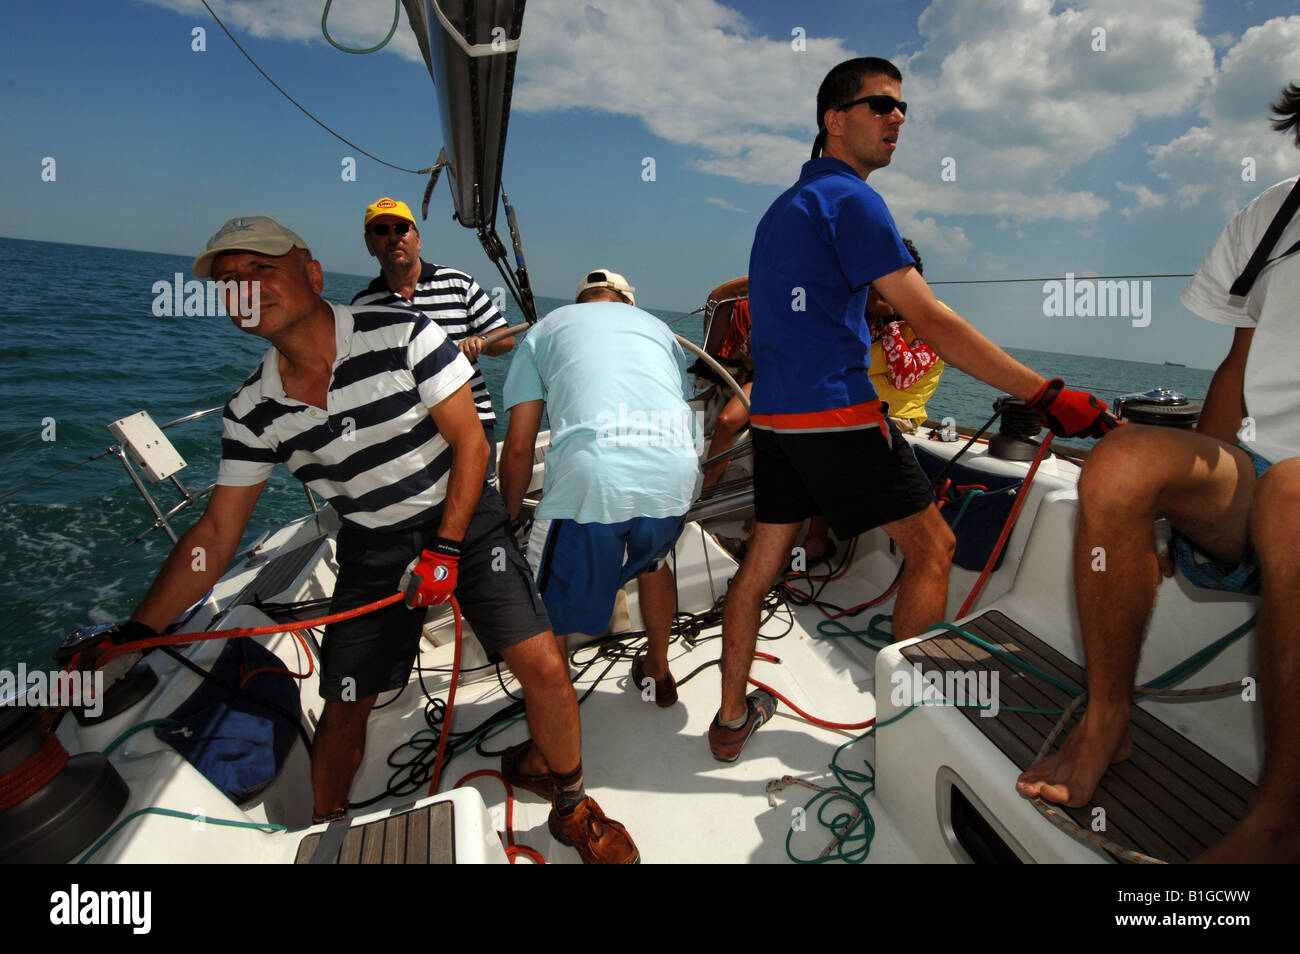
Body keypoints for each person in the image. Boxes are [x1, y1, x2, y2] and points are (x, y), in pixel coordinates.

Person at [121, 217, 637, 863]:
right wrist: (138, 634)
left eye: (260, 269)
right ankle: (328, 832)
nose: (244, 288)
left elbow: (472, 442)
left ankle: (571, 803)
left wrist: (446, 550)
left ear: (311, 272)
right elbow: (218, 532)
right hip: (372, 543)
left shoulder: (404, 334)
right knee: (342, 705)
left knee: (541, 664)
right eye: (228, 282)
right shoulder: (252, 410)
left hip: (465, 520)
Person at [712, 56, 1117, 762]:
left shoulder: (784, 208)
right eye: (880, 105)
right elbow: (929, 320)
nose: (898, 118)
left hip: (775, 419)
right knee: (935, 547)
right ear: (834, 121)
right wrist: (1046, 394)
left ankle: (727, 719)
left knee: (760, 565)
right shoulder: (853, 200)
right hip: (836, 415)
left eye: (903, 109)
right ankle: (900, 731)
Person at [1017, 83, 1300, 863]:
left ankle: (1279, 825)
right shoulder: (1276, 215)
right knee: (1122, 460)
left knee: (1293, 496)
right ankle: (1109, 721)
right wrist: (1186, 502)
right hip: (1263, 479)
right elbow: (1239, 366)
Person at [498, 268, 700, 734]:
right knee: (654, 563)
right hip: (674, 475)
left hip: (591, 482)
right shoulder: (660, 331)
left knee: (544, 602)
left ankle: (552, 729)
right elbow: (680, 411)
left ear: (579, 302)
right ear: (627, 304)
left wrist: (507, 523)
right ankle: (658, 669)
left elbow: (521, 447)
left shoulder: (546, 329)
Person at [351, 197, 513, 479]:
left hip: (471, 422)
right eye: (381, 231)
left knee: (479, 510)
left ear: (417, 238)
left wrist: (480, 341)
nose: (393, 237)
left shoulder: (458, 284)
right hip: (405, 433)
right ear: (369, 244)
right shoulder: (361, 308)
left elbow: (506, 340)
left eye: (401, 228)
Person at [866, 238, 945, 435]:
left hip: (897, 419)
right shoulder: (868, 317)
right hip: (858, 411)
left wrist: (889, 321)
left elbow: (904, 375)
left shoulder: (935, 319)